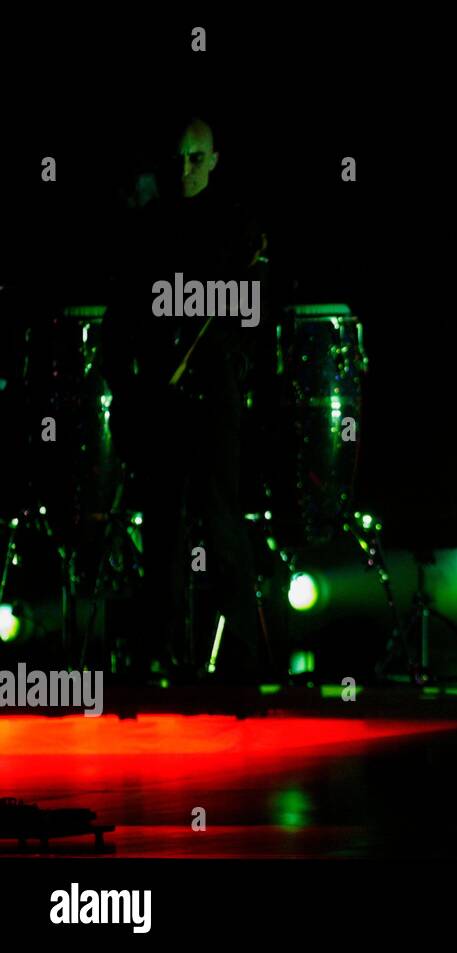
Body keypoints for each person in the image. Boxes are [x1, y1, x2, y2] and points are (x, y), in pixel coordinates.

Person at [102, 117, 269, 684]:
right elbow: (123, 312)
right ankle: (159, 654)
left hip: (213, 397)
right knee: (163, 529)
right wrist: (125, 380)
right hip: (161, 399)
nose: (185, 170)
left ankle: (242, 658)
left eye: (196, 158)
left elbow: (251, 311)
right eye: (178, 159)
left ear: (214, 159)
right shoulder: (151, 227)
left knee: (222, 522)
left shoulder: (235, 224)